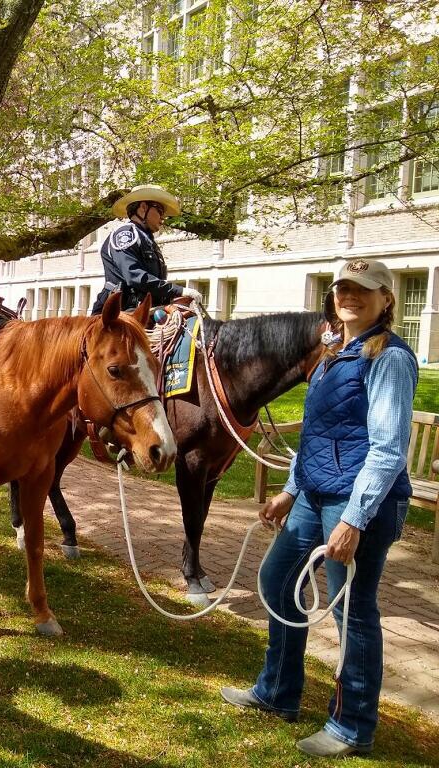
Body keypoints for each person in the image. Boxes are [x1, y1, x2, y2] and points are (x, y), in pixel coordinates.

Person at [220, 258, 417, 758]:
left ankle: (352, 726)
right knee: (276, 581)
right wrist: (290, 488)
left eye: (362, 290)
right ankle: (278, 691)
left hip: (356, 502)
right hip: (312, 493)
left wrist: (355, 518)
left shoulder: (387, 357)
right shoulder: (335, 352)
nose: (349, 296)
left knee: (352, 611)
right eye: (342, 289)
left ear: (385, 299)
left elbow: (388, 449)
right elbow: (318, 434)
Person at [90, 184, 202, 314]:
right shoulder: (126, 235)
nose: (162, 218)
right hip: (119, 312)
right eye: (160, 211)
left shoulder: (147, 240)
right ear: (143, 208)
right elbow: (134, 275)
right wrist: (178, 290)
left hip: (146, 309)